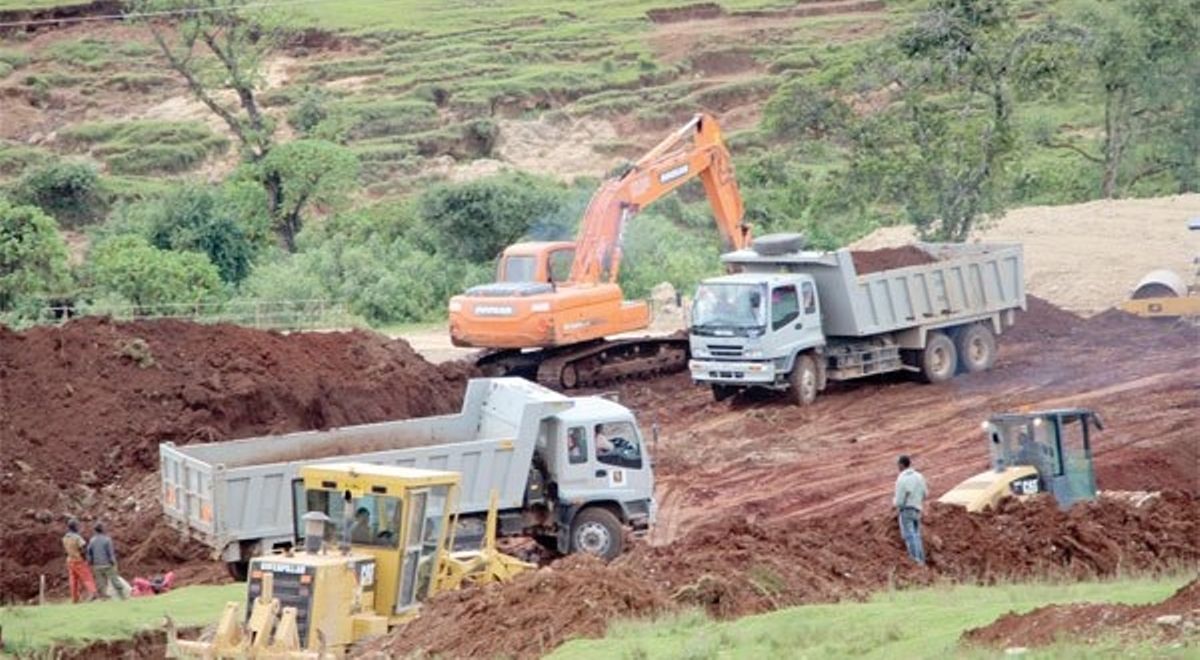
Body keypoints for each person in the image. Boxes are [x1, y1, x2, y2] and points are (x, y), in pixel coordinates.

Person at [893, 455, 928, 565]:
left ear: (901, 465)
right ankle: (921, 560)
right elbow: (925, 493)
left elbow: (899, 500)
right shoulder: (919, 477)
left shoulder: (902, 478)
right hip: (917, 508)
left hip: (906, 509)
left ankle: (915, 561)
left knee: (909, 535)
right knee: (916, 535)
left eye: (898, 464)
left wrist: (896, 504)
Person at [87, 522, 127, 599]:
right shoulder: (107, 540)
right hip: (108, 564)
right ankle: (122, 595)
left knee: (101, 583)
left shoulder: (92, 541)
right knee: (114, 580)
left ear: (95, 530)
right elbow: (110, 553)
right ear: (102, 529)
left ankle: (104, 598)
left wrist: (91, 562)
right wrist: (114, 562)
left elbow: (89, 553)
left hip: (97, 565)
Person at [63, 518, 97, 603]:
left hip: (70, 560)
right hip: (78, 560)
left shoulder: (65, 538)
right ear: (74, 527)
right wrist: (86, 557)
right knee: (87, 577)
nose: (78, 527)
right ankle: (93, 593)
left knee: (73, 580)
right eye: (77, 526)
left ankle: (75, 599)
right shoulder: (77, 537)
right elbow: (83, 547)